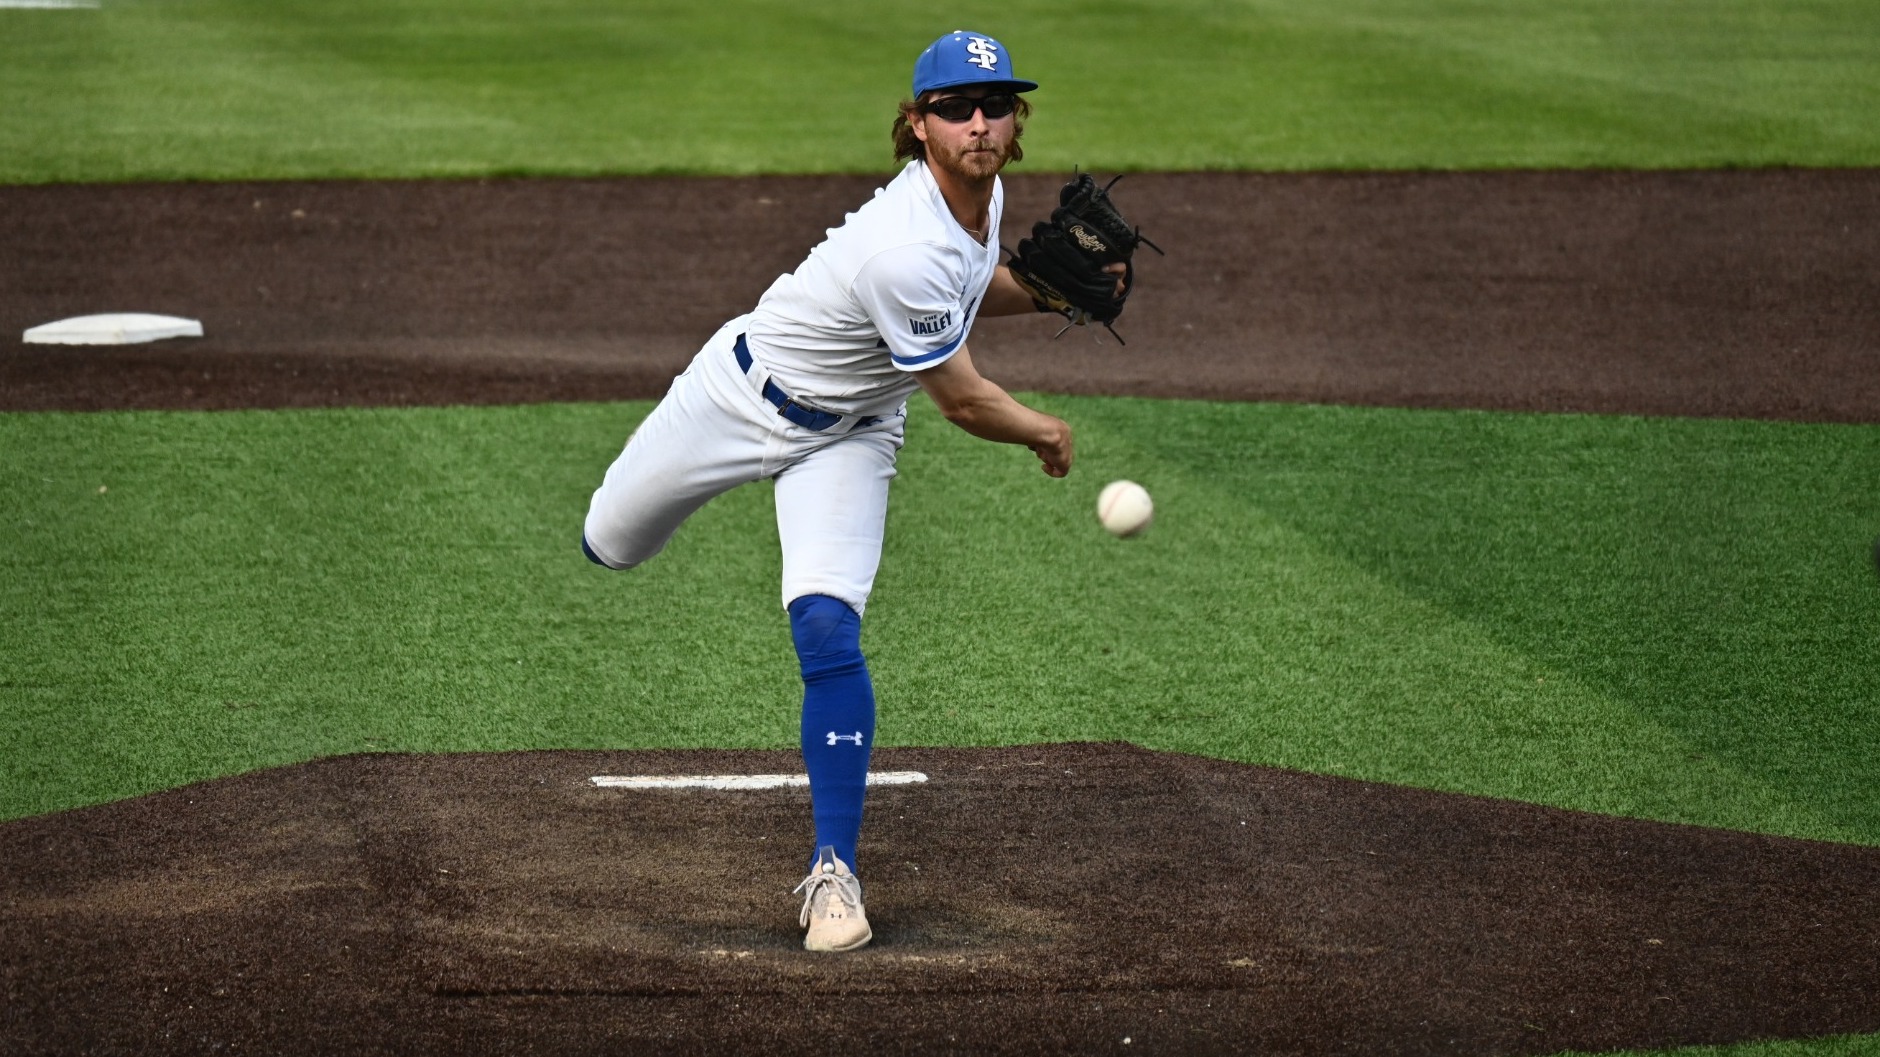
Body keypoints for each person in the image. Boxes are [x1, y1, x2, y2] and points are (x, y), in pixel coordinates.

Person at [581, 30, 1091, 952]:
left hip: (850, 435)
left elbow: (969, 287)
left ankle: (834, 873)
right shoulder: (900, 245)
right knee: (609, 541)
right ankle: (628, 514)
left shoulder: (981, 197)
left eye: (995, 106)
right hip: (734, 400)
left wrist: (1050, 293)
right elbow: (968, 402)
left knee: (825, 626)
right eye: (954, 109)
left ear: (1017, 125)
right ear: (918, 125)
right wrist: (1046, 430)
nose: (978, 123)